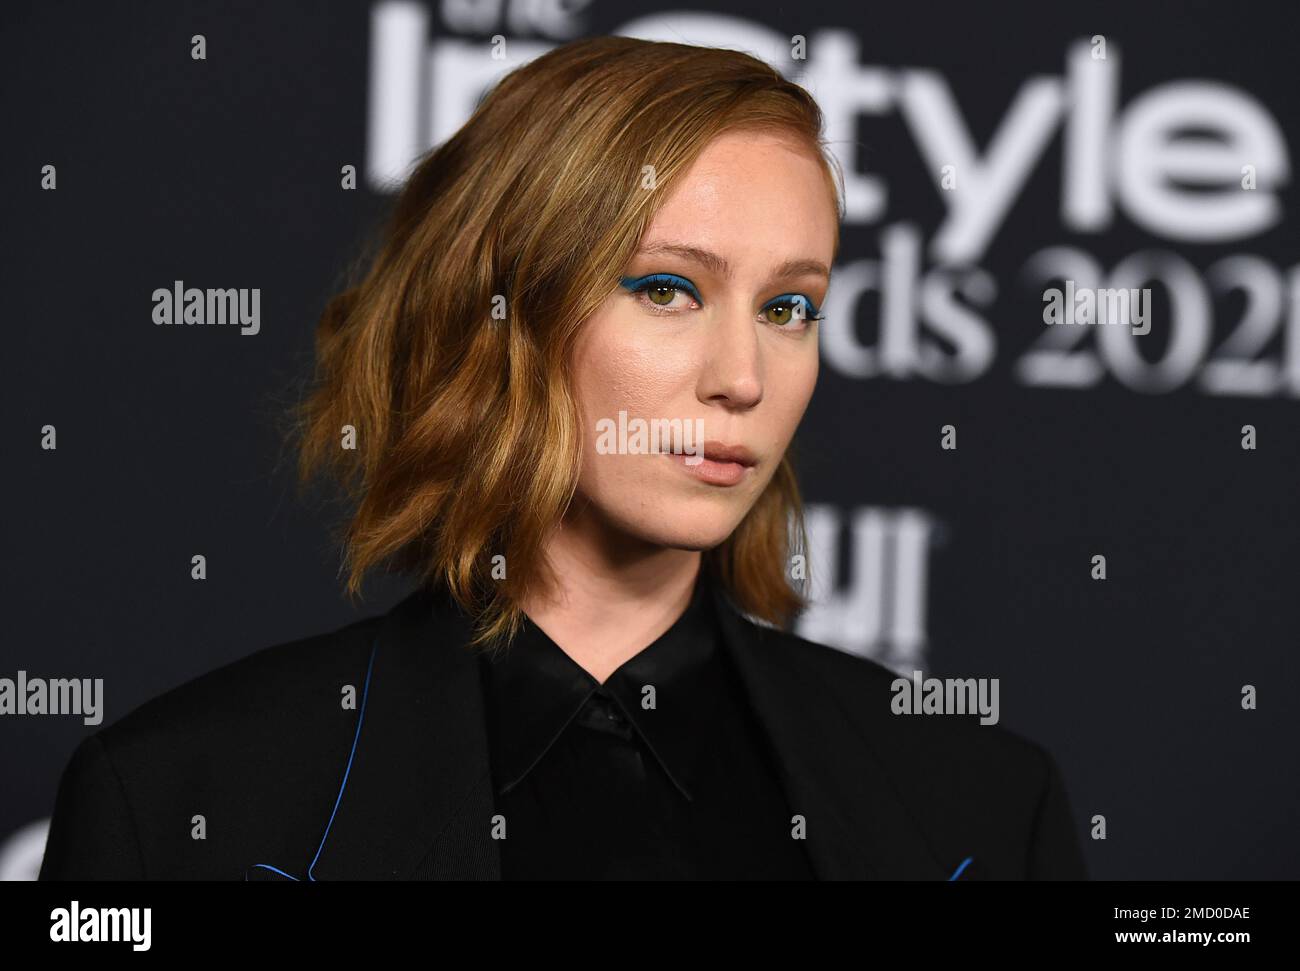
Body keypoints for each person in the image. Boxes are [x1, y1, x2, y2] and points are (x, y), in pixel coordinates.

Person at [38, 35, 1087, 881]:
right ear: (499, 315)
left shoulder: (985, 803)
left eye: (788, 306)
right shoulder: (180, 799)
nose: (743, 376)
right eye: (666, 287)